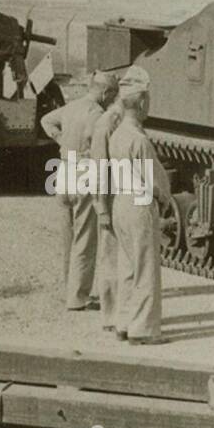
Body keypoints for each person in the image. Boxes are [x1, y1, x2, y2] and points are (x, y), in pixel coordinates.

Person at [40, 70, 117, 310]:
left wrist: (61, 139)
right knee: (84, 238)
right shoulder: (98, 116)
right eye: (112, 96)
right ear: (105, 92)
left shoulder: (72, 107)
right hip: (84, 171)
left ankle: (69, 289)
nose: (113, 101)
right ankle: (78, 298)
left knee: (68, 237)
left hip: (63, 170)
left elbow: (46, 120)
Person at [105, 66, 165, 344]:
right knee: (147, 270)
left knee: (128, 268)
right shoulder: (140, 140)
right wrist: (165, 198)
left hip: (120, 203)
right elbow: (157, 181)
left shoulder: (117, 135)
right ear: (141, 102)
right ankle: (143, 330)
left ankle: (123, 322)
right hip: (140, 204)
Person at [91, 91, 125, 331]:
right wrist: (101, 206)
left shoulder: (121, 121)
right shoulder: (107, 124)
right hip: (111, 199)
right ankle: (110, 316)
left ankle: (121, 315)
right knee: (111, 259)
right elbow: (100, 167)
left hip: (124, 199)